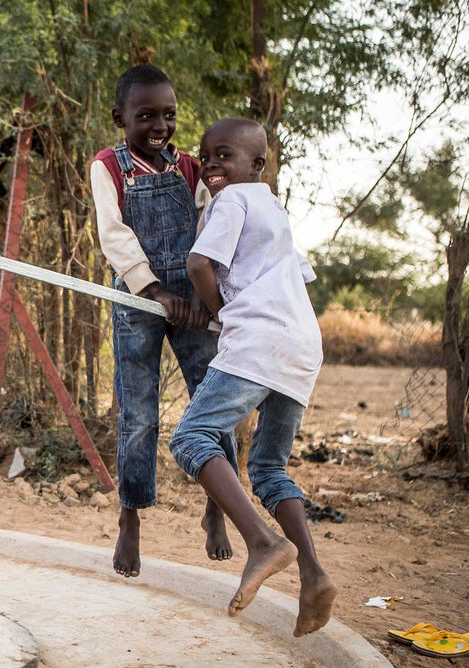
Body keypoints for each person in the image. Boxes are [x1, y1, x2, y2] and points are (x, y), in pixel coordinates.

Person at [169, 117, 337, 637]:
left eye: (225, 156)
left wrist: (217, 311)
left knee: (191, 437)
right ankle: (312, 573)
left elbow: (200, 264)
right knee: (267, 467)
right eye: (207, 158)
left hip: (259, 340)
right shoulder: (276, 211)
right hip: (302, 346)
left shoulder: (233, 201)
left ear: (257, 166)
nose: (213, 166)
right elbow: (293, 273)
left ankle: (263, 542)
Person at [90, 63, 231, 579]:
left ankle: (217, 505)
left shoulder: (191, 167)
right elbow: (114, 235)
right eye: (146, 115)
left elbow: (209, 228)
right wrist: (154, 290)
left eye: (169, 115)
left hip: (192, 299)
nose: (159, 125)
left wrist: (200, 295)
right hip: (138, 296)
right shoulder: (109, 166)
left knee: (213, 400)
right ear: (120, 117)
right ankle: (131, 516)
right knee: (138, 410)